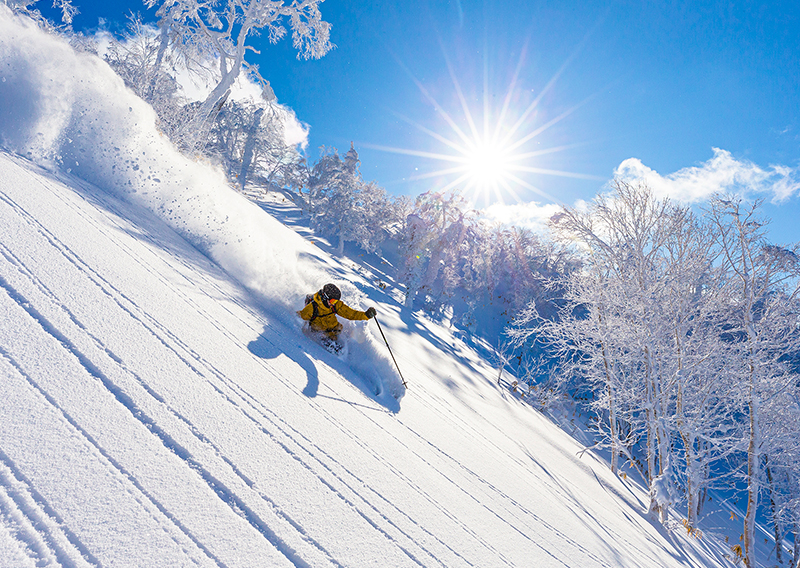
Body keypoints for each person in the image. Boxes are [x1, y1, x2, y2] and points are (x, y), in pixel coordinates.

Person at [298, 284, 377, 347]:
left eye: (336, 301)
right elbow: (299, 318)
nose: (334, 304)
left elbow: (351, 314)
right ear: (325, 297)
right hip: (320, 333)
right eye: (333, 301)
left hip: (334, 331)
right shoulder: (312, 308)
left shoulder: (335, 305)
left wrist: (366, 315)